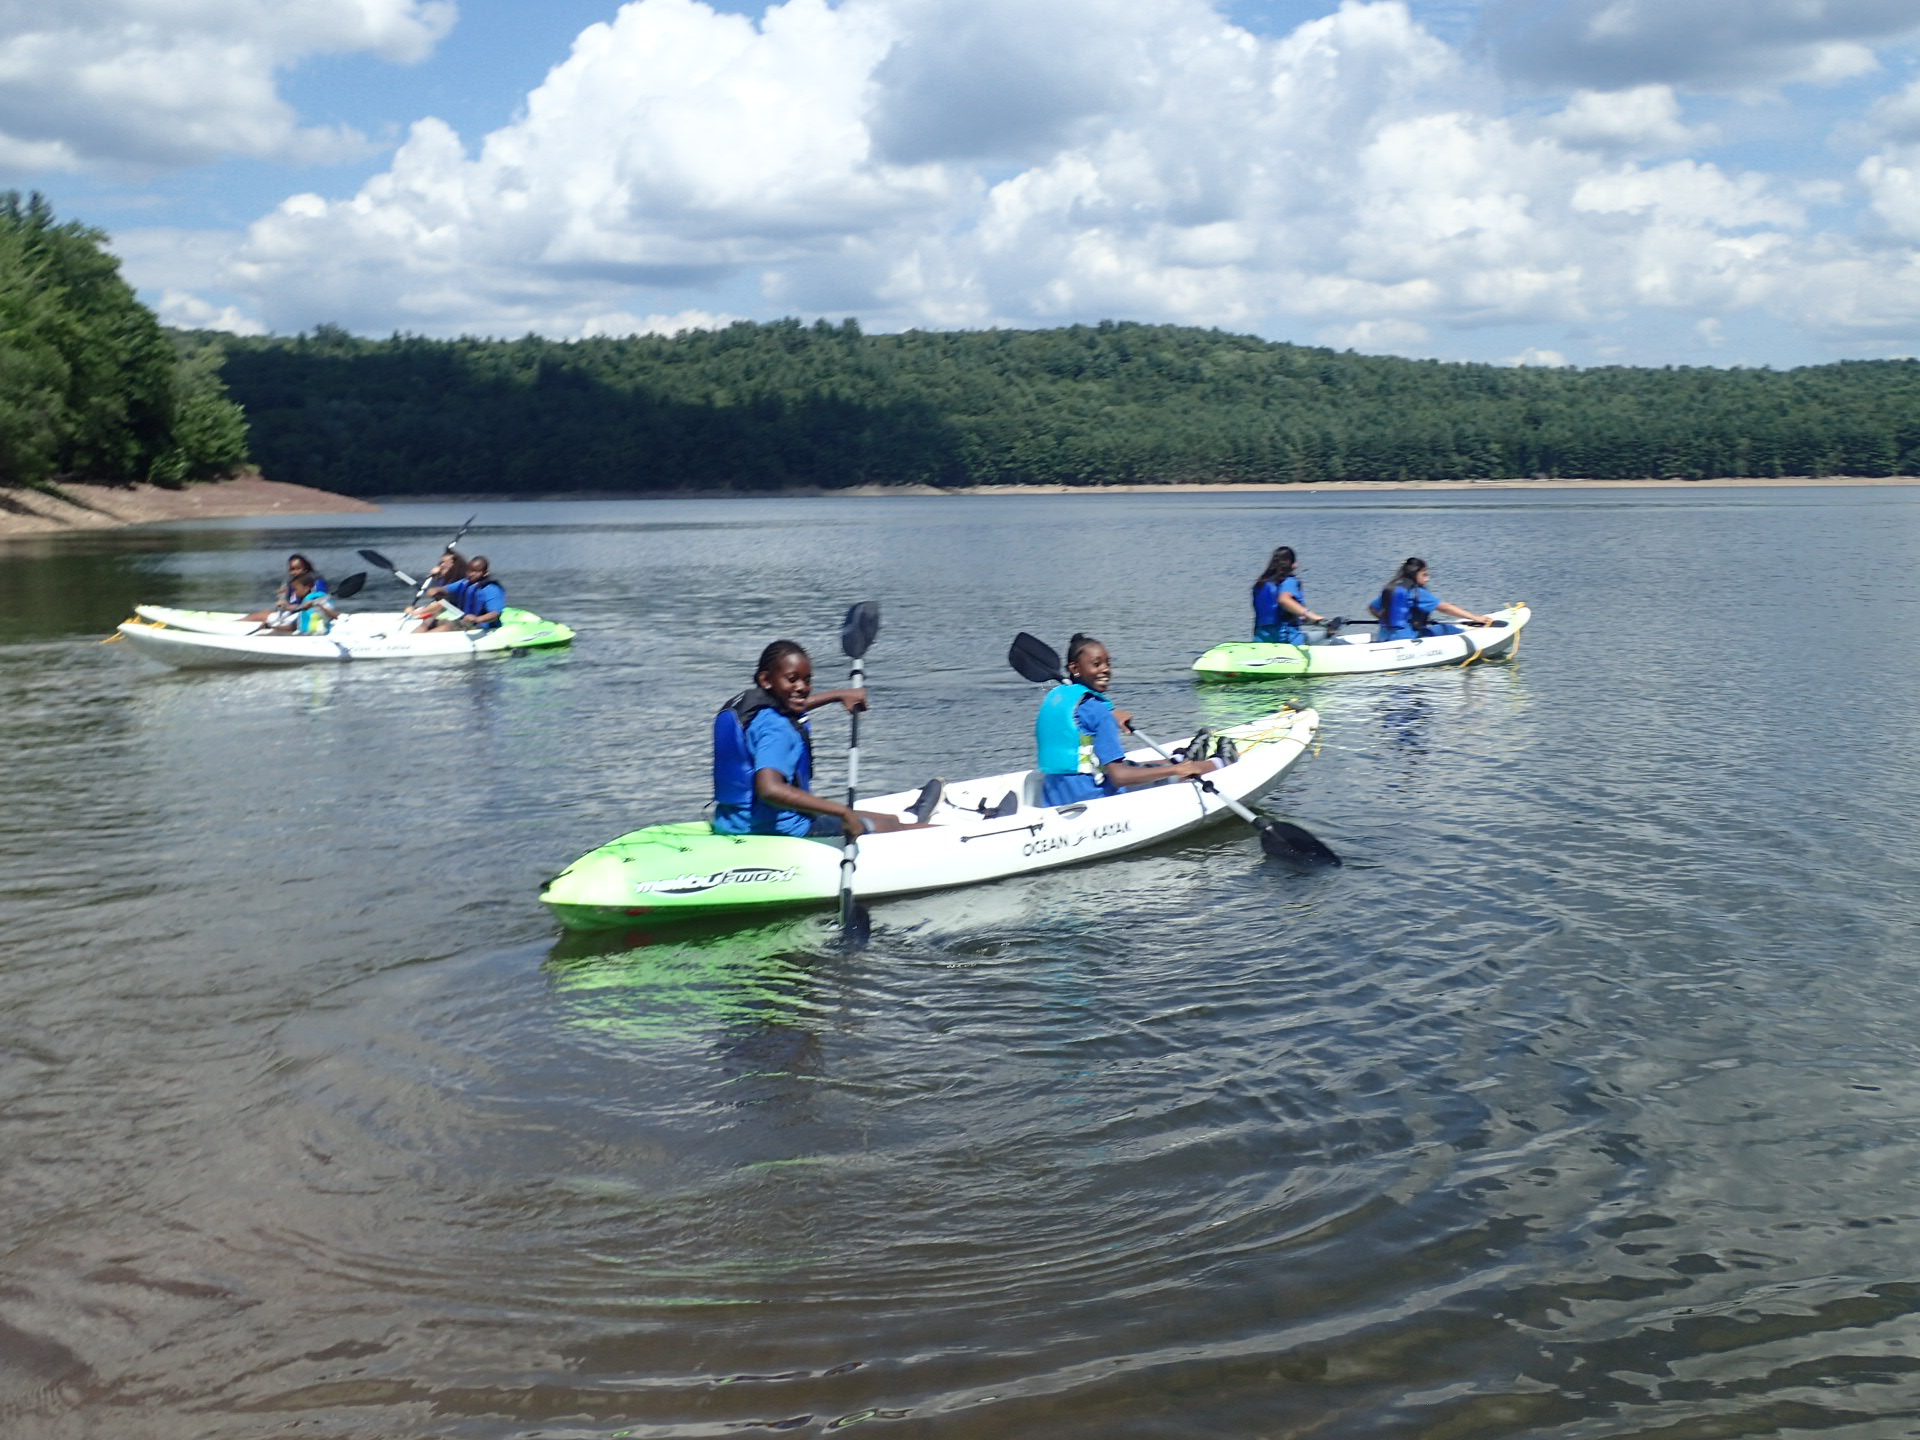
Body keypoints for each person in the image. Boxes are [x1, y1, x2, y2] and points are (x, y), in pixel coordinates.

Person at [712, 641, 912, 839]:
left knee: (881, 817)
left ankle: (914, 815)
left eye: (807, 680)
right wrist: (842, 811)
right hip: (776, 829)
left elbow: (790, 705)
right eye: (792, 679)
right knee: (889, 823)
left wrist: (838, 695)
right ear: (765, 680)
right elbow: (770, 789)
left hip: (732, 822)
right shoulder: (778, 729)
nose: (801, 687)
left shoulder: (749, 709)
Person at [1036, 634, 1230, 807]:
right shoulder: (1098, 712)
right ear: (1075, 668)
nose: (1106, 670)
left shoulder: (1057, 697)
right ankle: (1220, 762)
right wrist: (1177, 770)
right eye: (1096, 664)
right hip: (1092, 798)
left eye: (1108, 664)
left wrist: (1110, 715)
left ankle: (1179, 757)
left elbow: (1080, 722)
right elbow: (1119, 777)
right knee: (1172, 773)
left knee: (1128, 764)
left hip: (1057, 795)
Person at [1367, 557, 1490, 640]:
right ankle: (1471, 634)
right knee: (1446, 628)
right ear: (1414, 574)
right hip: (1407, 638)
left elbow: (1372, 608)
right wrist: (1475, 618)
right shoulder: (1416, 592)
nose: (1427, 579)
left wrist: (1386, 618)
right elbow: (1445, 608)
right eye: (1424, 575)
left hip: (1384, 637)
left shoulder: (1391, 589)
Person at [1251, 545, 1326, 644]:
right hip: (1287, 640)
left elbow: (1297, 617)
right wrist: (1314, 617)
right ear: (1293, 565)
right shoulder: (1289, 581)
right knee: (1330, 636)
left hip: (1261, 639)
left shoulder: (1261, 584)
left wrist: (1320, 622)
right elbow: (1284, 600)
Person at [416, 554, 505, 633]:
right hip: (464, 622)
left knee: (448, 626)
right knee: (429, 621)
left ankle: (420, 643)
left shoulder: (492, 589)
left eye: (475, 571)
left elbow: (495, 614)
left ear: (485, 573)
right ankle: (411, 640)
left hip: (480, 626)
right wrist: (436, 589)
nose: (471, 574)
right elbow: (446, 589)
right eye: (469, 571)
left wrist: (477, 619)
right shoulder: (465, 582)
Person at [245, 553, 329, 623]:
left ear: (305, 569)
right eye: (292, 569)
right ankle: (237, 622)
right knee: (264, 612)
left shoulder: (316, 582)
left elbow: (316, 605)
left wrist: (287, 606)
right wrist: (284, 597)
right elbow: (292, 603)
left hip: (310, 616)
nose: (294, 572)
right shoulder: (291, 582)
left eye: (298, 569)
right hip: (294, 614)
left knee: (262, 616)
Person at [403, 550, 465, 626]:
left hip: (455, 613)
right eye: (441, 562)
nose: (441, 565)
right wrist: (433, 576)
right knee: (424, 617)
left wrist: (415, 613)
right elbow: (434, 597)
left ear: (453, 564)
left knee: (428, 621)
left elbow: (442, 603)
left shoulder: (458, 581)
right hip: (444, 609)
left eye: (444, 562)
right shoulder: (442, 578)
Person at [265, 573, 338, 635]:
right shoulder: (304, 602)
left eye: (296, 589)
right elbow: (293, 627)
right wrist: (271, 627)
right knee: (272, 633)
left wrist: (318, 605)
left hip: (318, 637)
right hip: (305, 635)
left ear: (306, 588)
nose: (294, 593)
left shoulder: (319, 598)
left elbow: (335, 616)